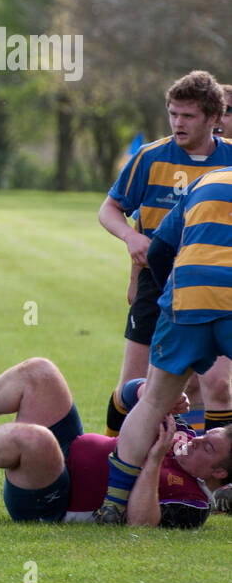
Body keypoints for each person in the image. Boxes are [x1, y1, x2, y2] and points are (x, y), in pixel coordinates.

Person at [0, 360, 228, 527]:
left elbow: (140, 523)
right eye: (204, 435)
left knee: (35, 439)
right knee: (40, 372)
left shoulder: (194, 505)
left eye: (208, 448)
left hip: (52, 500)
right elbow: (120, 400)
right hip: (70, 444)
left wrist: (155, 459)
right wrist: (147, 391)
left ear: (219, 474)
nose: (196, 441)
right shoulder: (182, 431)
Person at [99, 71, 232, 440]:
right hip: (155, 281)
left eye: (188, 116)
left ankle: (211, 481)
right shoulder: (151, 157)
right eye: (173, 113)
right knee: (135, 388)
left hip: (212, 286)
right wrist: (130, 237)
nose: (177, 123)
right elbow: (109, 208)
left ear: (213, 118)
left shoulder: (231, 161)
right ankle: (110, 454)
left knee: (216, 386)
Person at [97, 163, 232, 522]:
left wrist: (173, 294)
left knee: (154, 401)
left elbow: (158, 251)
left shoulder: (208, 179)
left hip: (185, 297)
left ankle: (112, 503)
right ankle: (224, 488)